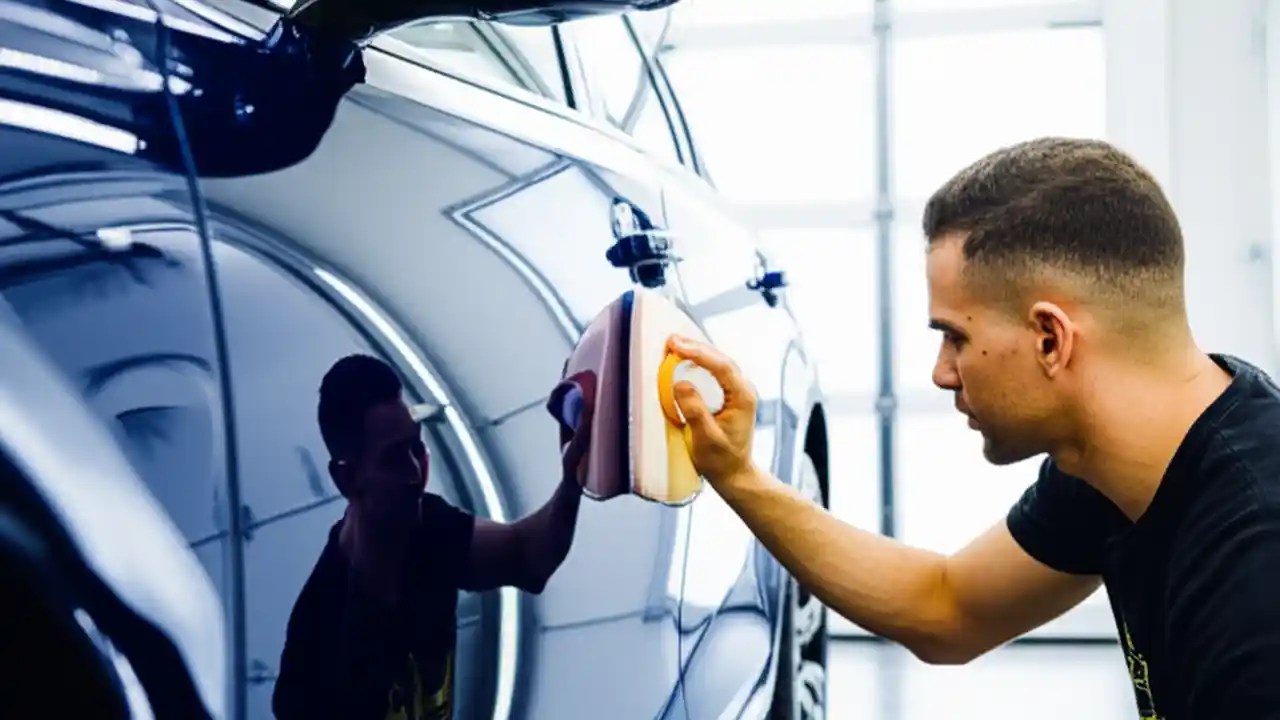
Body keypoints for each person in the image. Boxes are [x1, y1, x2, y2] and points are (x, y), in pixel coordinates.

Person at [666, 137, 1280, 719]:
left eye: (955, 337)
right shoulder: (1117, 467)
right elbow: (946, 607)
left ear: (1050, 338)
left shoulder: (1256, 570)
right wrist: (737, 475)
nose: (941, 373)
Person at [273, 354, 590, 720]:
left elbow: (528, 558)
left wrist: (573, 479)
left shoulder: (429, 527)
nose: (415, 472)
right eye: (393, 458)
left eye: (416, 446)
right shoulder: (317, 637)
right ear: (346, 479)